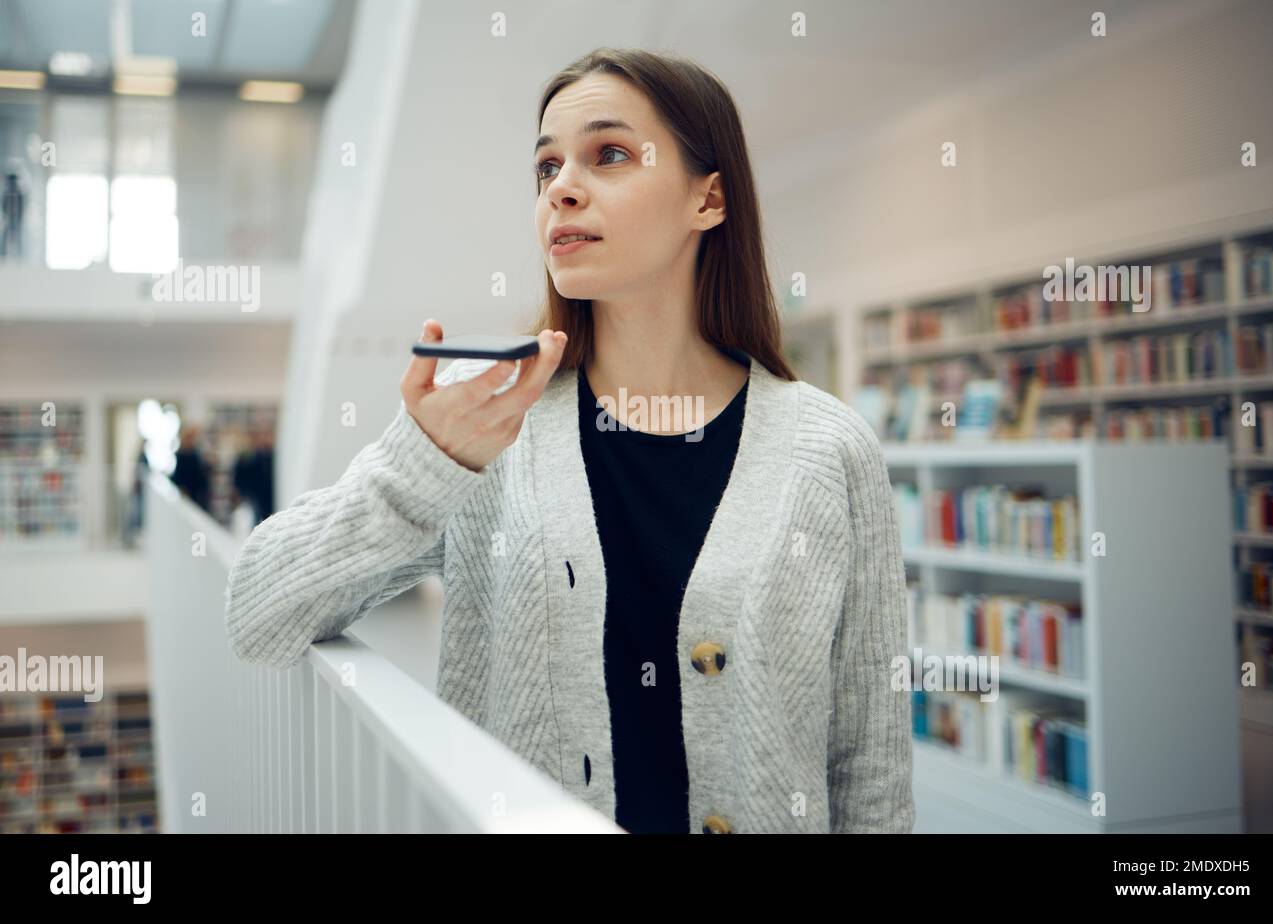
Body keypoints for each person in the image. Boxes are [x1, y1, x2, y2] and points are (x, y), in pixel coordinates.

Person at [224, 47, 912, 835]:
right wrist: (418, 473)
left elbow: (871, 769)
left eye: (609, 155)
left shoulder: (829, 449)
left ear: (709, 198)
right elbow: (259, 612)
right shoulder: (491, 426)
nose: (563, 189)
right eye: (546, 168)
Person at [169, 424, 211, 513]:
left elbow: (200, 473)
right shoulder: (182, 454)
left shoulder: (195, 453)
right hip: (188, 491)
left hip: (198, 491)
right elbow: (179, 475)